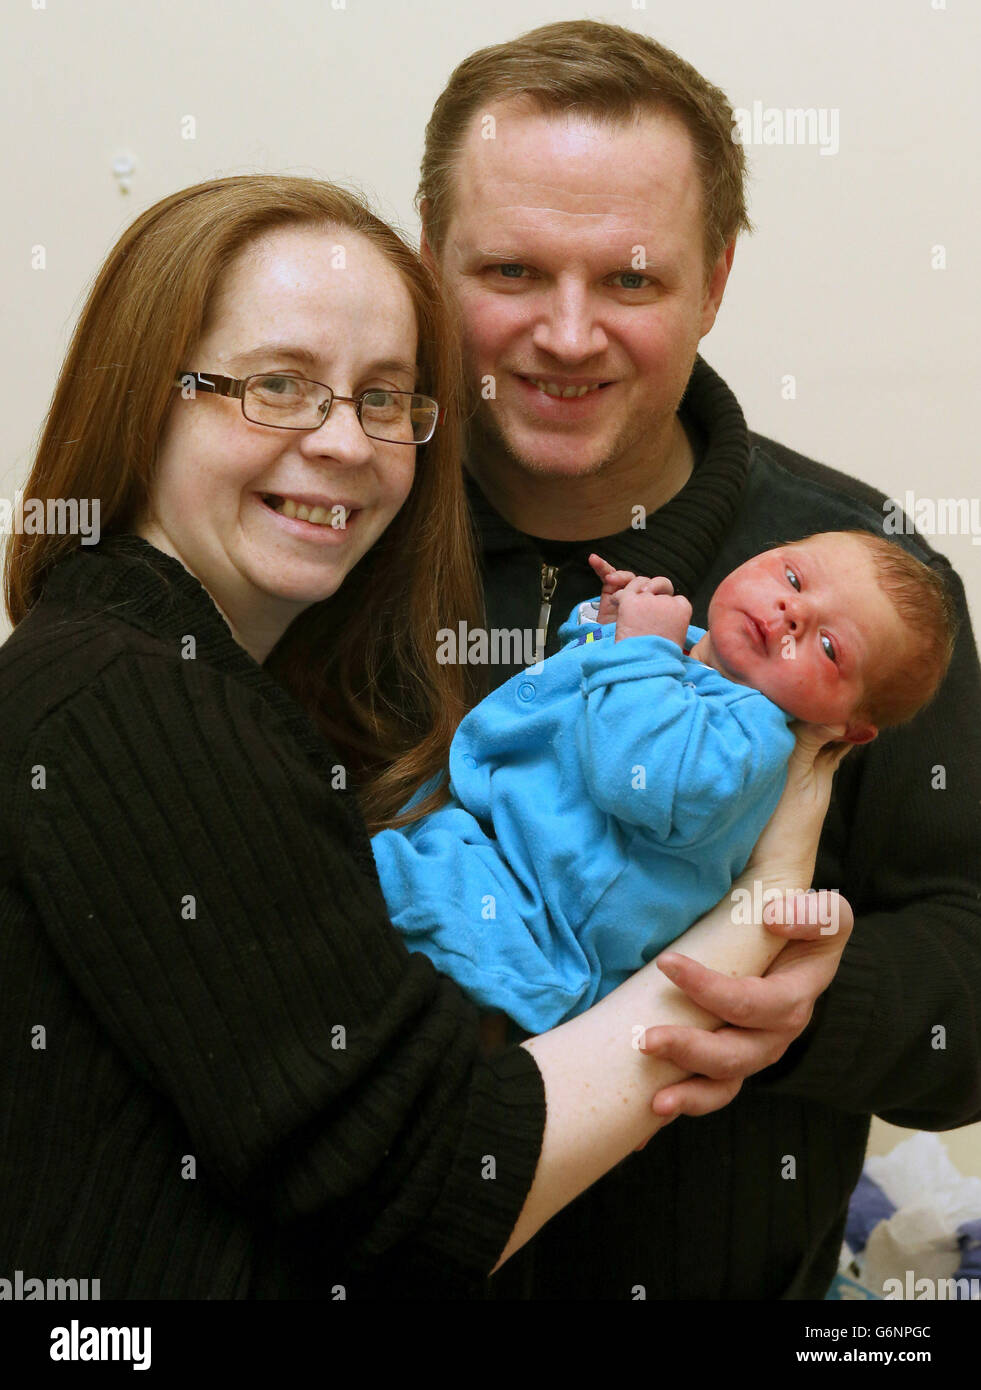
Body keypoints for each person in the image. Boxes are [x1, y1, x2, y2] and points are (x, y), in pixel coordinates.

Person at [0, 173, 848, 1300]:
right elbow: (435, 1180)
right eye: (278, 386)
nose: (346, 443)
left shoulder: (221, 678)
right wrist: (766, 895)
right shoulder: (130, 702)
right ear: (141, 400)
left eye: (385, 398)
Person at [415, 20, 981, 1298]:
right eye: (510, 269)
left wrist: (799, 1002)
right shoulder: (326, 532)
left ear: (715, 281)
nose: (567, 335)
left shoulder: (864, 584)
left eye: (630, 280)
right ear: (431, 268)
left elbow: (969, 961)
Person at [371, 530, 956, 1033]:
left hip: (535, 930)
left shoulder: (749, 744)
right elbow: (584, 698)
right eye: (794, 578)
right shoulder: (680, 651)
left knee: (353, 895)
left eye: (829, 647)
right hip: (485, 840)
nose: (792, 613)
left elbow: (632, 774)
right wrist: (604, 626)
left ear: (847, 728)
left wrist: (641, 647)